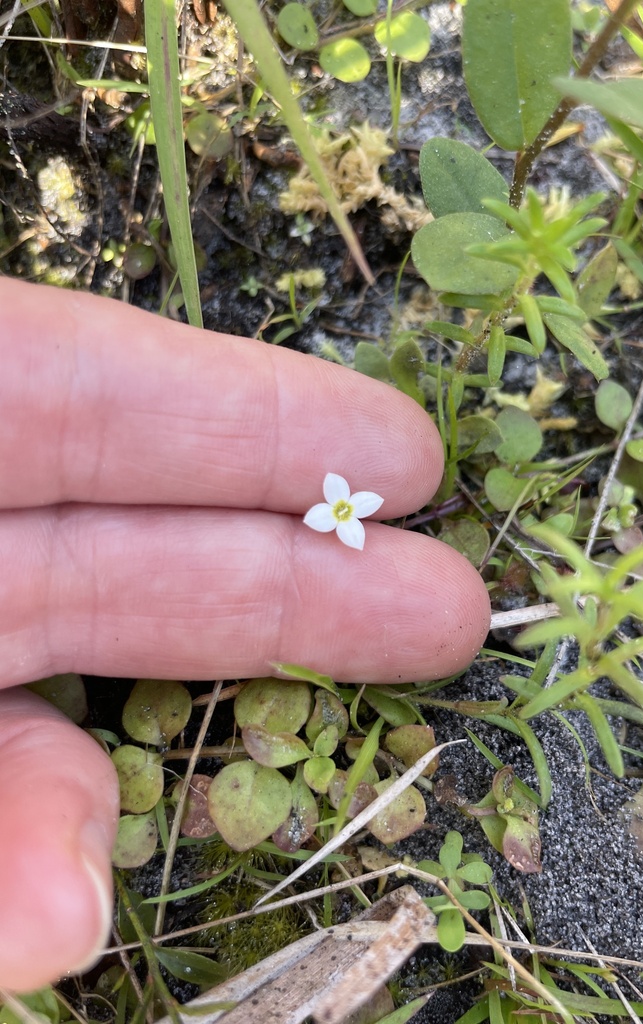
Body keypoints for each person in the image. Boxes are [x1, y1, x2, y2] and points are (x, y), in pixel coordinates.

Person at [0, 278, 490, 993]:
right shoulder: (332, 509)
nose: (347, 506)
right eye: (346, 505)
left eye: (351, 506)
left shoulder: (340, 512)